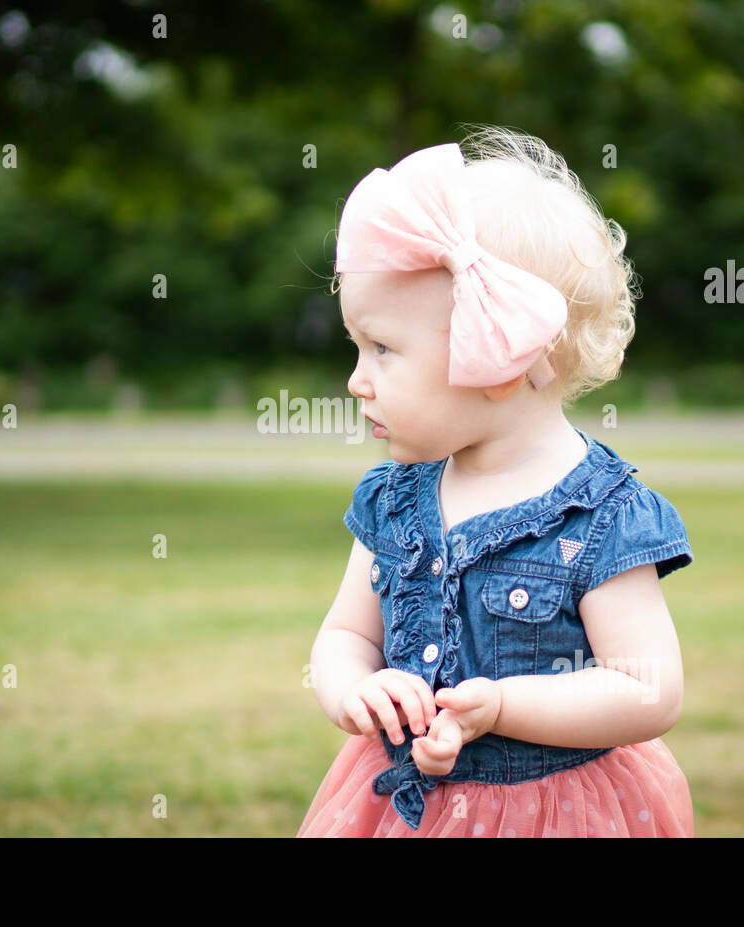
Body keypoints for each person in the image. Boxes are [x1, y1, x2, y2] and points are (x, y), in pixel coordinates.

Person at [297, 127, 695, 837]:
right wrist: (357, 688)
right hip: (401, 806)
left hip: (557, 811)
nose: (357, 380)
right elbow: (344, 634)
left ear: (500, 358)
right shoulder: (396, 500)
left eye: (383, 349)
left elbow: (649, 688)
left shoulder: (601, 513)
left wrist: (504, 705)